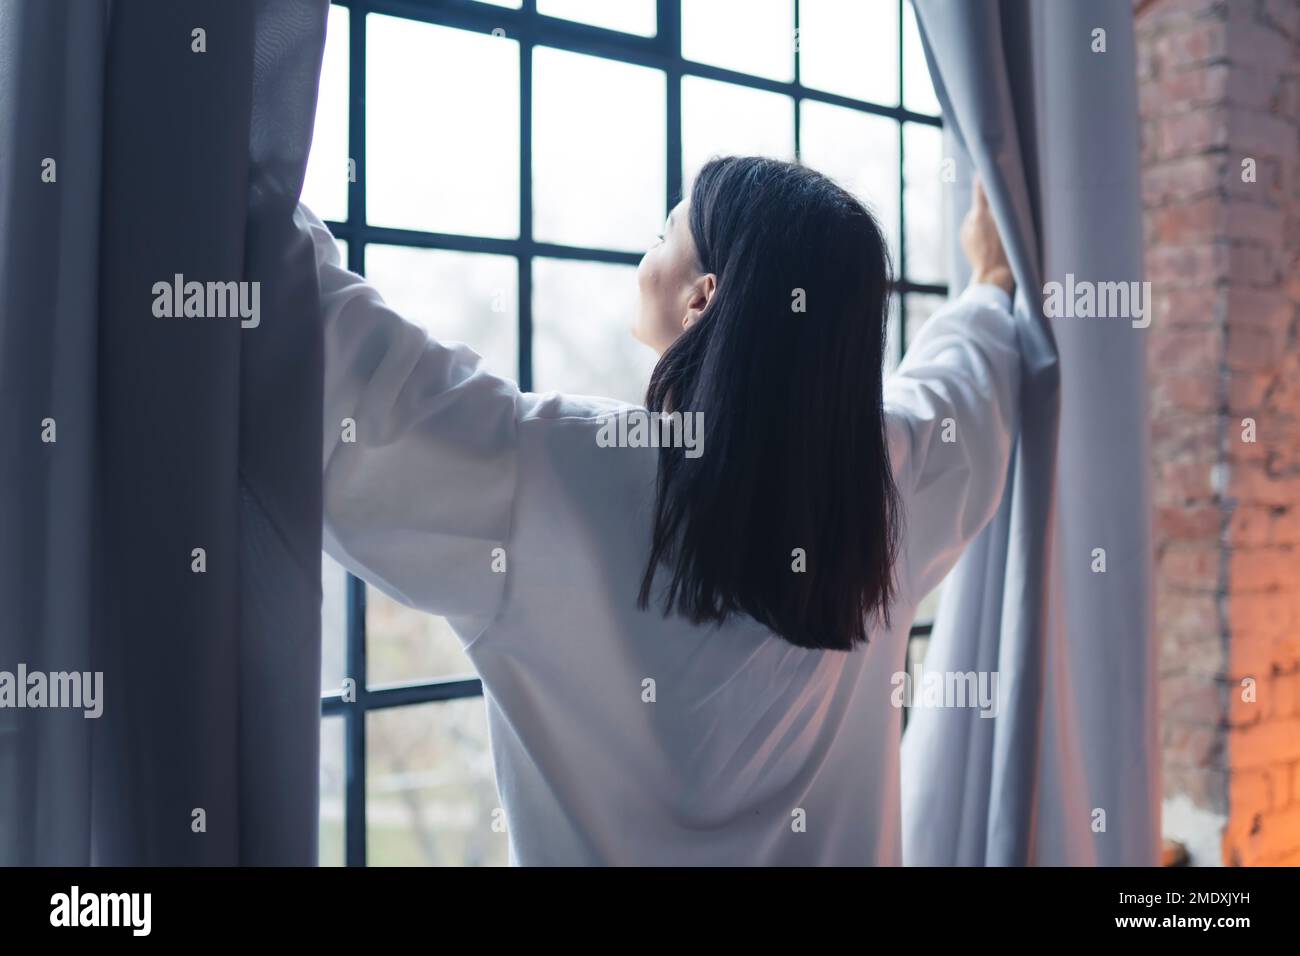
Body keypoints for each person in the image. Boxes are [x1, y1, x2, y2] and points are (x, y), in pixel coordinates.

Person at [303, 156, 1019, 865]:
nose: (648, 245)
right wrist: (989, 286)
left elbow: (347, 384)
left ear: (702, 299)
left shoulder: (554, 475)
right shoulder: (884, 480)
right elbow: (967, 393)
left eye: (663, 231)